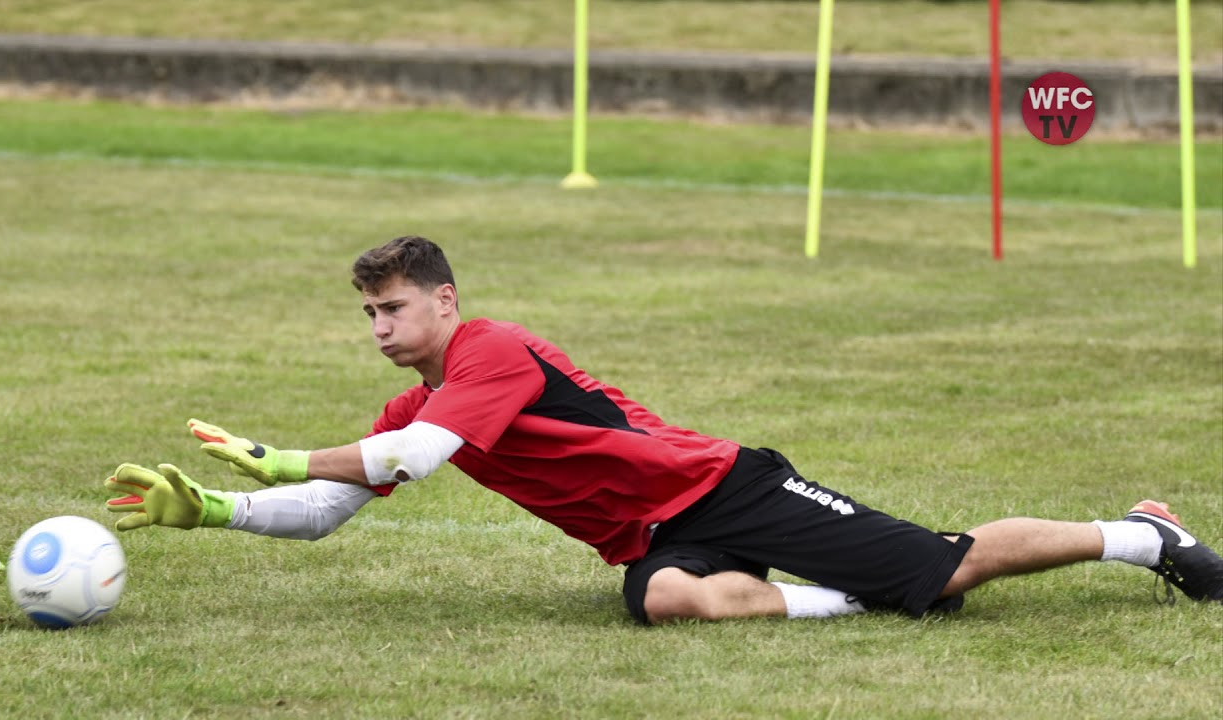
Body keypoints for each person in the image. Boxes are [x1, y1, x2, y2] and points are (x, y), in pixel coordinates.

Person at [104, 235, 1223, 623]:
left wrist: (281, 449)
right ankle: (855, 599)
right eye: (367, 314)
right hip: (655, 539)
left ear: (443, 302)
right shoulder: (416, 401)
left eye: (391, 309)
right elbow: (335, 506)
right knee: (667, 603)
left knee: (947, 569)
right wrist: (216, 508)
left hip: (718, 488)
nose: (378, 328)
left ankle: (1138, 532)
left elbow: (413, 462)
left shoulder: (489, 351)